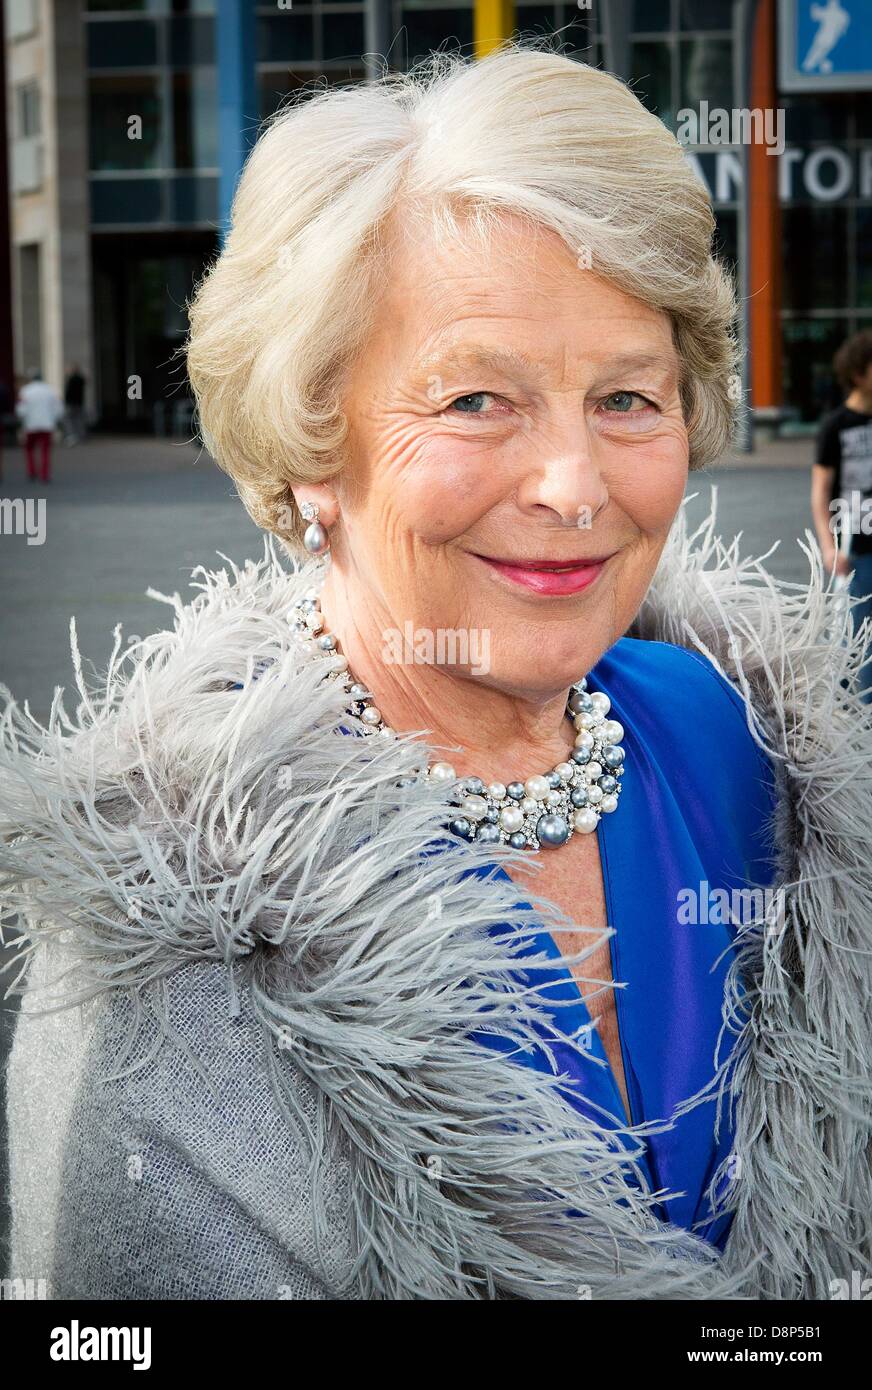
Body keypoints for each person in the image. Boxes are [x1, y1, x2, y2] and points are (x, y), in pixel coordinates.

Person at [3, 44, 871, 1301]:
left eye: (627, 397)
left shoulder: (753, 756)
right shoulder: (160, 920)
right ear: (311, 440)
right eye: (474, 400)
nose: (574, 487)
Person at [811, 329, 872, 702]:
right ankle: (851, 716)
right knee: (854, 636)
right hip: (855, 543)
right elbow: (820, 492)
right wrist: (828, 547)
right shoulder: (836, 426)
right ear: (858, 373)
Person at [15, 367, 64, 483]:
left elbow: (21, 410)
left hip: (31, 425)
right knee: (45, 451)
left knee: (29, 449)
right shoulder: (50, 390)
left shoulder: (25, 391)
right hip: (47, 425)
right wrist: (53, 419)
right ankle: (44, 474)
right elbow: (58, 409)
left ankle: (32, 471)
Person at [63, 364, 87, 445]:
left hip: (71, 403)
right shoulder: (81, 379)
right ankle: (81, 436)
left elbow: (68, 392)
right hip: (79, 402)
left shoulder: (71, 379)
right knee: (79, 420)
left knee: (69, 420)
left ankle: (71, 436)